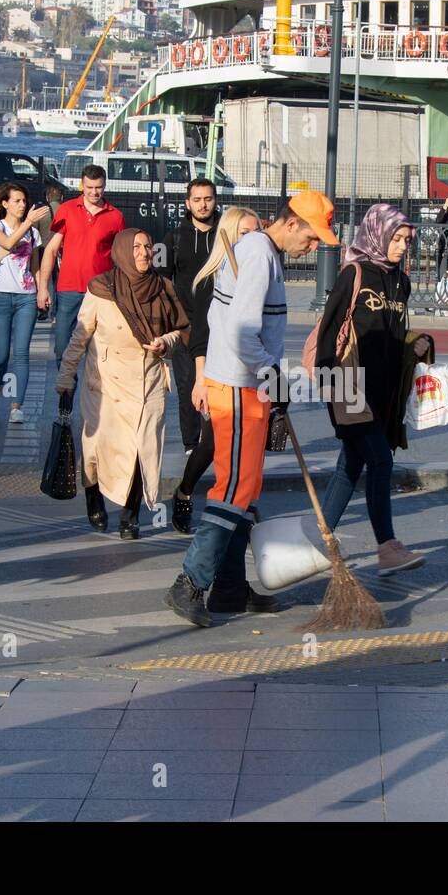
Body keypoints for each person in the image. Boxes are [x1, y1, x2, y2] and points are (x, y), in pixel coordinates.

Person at [164, 192, 333, 626]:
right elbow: (242, 333)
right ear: (291, 223)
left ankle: (229, 588)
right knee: (235, 488)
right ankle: (191, 582)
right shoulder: (259, 254)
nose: (313, 249)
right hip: (239, 386)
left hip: (245, 385)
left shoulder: (261, 252)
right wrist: (271, 377)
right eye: (312, 239)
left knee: (245, 488)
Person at [315, 203, 430, 576]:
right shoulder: (355, 273)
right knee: (381, 461)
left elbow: (392, 336)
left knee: (350, 466)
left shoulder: (402, 281)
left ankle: (317, 544)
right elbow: (330, 333)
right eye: (395, 239)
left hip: (382, 392)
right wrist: (331, 386)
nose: (401, 247)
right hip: (348, 385)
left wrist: (414, 344)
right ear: (377, 234)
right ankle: (386, 546)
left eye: (406, 240)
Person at [57, 229, 189, 540]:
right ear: (121, 252)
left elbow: (180, 331)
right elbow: (80, 337)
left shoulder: (163, 288)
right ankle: (93, 495)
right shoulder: (102, 289)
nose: (144, 252)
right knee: (95, 451)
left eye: (147, 246)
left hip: (149, 382)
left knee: (143, 451)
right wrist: (66, 377)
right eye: (136, 247)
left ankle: (130, 515)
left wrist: (164, 344)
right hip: (105, 384)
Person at [169, 206, 260, 535]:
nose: (252, 239)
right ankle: (185, 492)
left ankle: (241, 503)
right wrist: (201, 381)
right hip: (215, 372)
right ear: (231, 235)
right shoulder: (213, 277)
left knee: (244, 442)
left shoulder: (257, 273)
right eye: (244, 232)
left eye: (256, 232)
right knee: (212, 444)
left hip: (248, 376)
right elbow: (201, 335)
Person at [37, 164, 124, 365]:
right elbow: (50, 250)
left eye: (98, 187)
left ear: (105, 186)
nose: (94, 192)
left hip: (101, 292)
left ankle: (92, 395)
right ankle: (65, 393)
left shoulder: (116, 216)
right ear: (82, 186)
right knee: (62, 349)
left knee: (100, 352)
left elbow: (120, 258)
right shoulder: (67, 210)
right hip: (69, 290)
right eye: (90, 187)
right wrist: (43, 288)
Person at [0, 183, 49, 424]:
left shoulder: (32, 233)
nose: (22, 205)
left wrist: (42, 289)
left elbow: (35, 265)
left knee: (21, 353)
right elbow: (8, 243)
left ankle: (16, 406)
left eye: (24, 201)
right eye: (17, 201)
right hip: (0, 297)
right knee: (0, 356)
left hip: (25, 297)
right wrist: (28, 223)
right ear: (5, 204)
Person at [165, 178, 219, 454]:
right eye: (197, 200)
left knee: (218, 383)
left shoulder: (226, 234)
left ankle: (216, 438)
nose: (202, 204)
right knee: (187, 384)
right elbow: (161, 280)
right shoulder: (174, 238)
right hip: (185, 323)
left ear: (215, 200)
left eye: (207, 198)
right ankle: (191, 443)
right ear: (187, 203)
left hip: (220, 324)